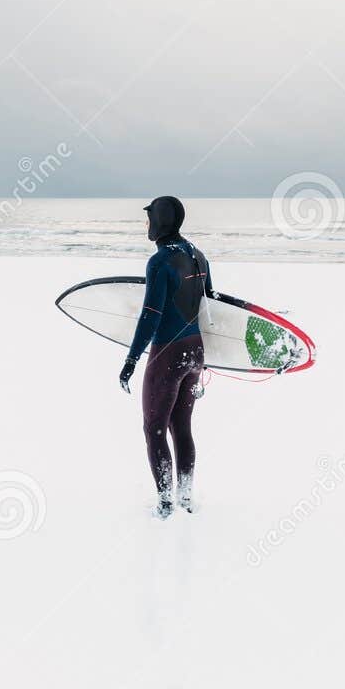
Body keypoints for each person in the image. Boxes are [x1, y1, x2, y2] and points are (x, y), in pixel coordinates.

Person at [119, 196, 213, 518]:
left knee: (154, 428)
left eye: (148, 219)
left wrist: (131, 360)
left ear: (160, 221)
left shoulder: (159, 262)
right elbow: (211, 307)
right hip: (195, 351)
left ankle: (164, 503)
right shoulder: (199, 257)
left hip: (168, 355)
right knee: (182, 425)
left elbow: (151, 315)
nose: (146, 226)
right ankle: (185, 496)